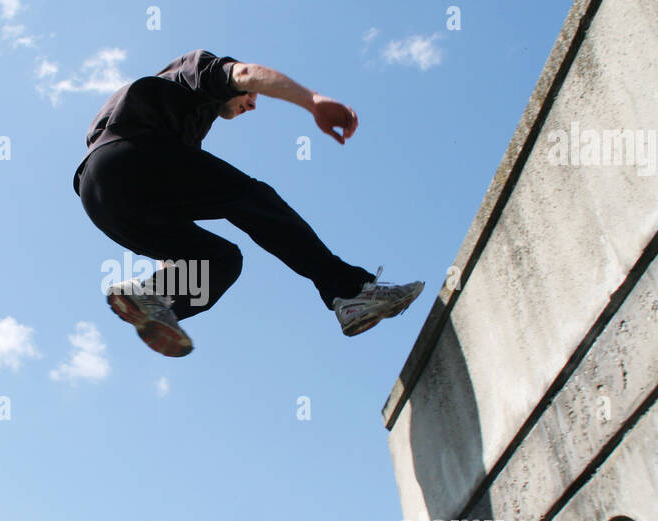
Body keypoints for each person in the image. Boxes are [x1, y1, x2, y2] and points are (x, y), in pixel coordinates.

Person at [72, 49, 424, 357]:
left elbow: (173, 234)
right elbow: (242, 73)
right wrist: (312, 101)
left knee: (221, 261)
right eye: (251, 97)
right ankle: (349, 293)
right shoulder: (199, 71)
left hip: (102, 199)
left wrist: (170, 275)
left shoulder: (180, 129)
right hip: (131, 156)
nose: (252, 105)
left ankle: (154, 298)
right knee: (253, 199)